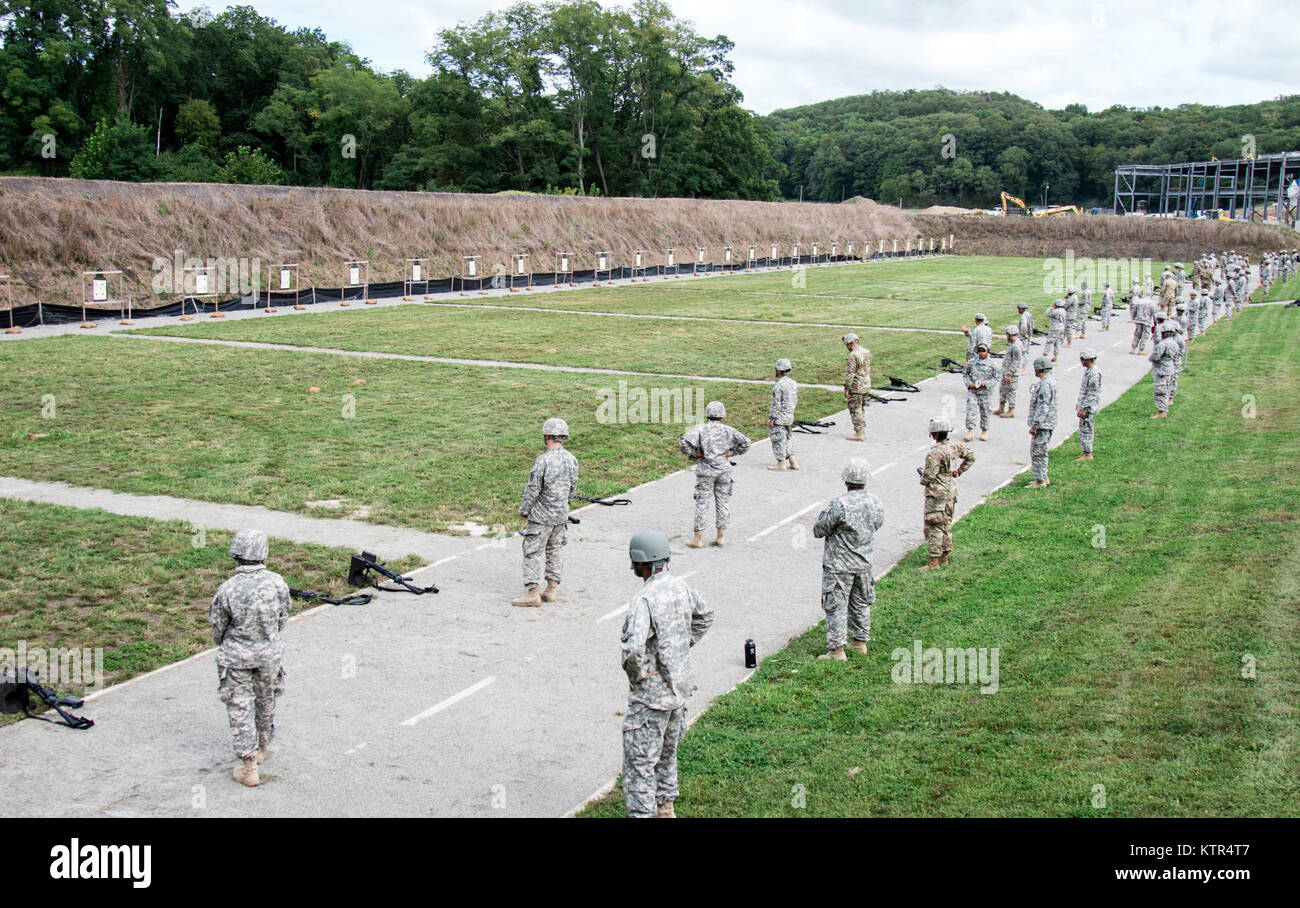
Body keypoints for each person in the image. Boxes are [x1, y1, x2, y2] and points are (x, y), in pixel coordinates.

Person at [620, 530, 713, 819]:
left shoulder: (644, 599)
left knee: (640, 764)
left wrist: (638, 676)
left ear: (640, 564)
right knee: (667, 754)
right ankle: (666, 807)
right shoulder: (682, 588)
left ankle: (644, 813)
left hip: (650, 699)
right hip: (678, 691)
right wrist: (683, 646)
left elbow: (634, 650)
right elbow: (705, 616)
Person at [210, 529, 290, 788]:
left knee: (240, 706)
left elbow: (217, 629)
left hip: (237, 657)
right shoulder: (277, 583)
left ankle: (248, 767)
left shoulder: (228, 589)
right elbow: (283, 619)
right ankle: (262, 749)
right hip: (268, 654)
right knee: (266, 700)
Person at [812, 459, 885, 661]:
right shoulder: (875, 502)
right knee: (860, 602)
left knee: (836, 605)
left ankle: (837, 650)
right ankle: (860, 642)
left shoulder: (839, 504)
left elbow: (820, 529)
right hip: (863, 562)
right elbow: (877, 523)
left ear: (846, 480)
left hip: (839, 564)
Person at [513, 417, 579, 607]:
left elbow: (533, 489)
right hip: (560, 515)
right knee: (554, 550)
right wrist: (565, 504)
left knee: (532, 552)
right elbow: (573, 487)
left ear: (547, 436)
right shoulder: (571, 460)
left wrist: (524, 510)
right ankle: (551, 589)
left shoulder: (543, 461)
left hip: (541, 516)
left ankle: (533, 592)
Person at [679, 401, 751, 548]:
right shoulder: (729, 430)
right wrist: (732, 453)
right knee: (723, 502)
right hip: (724, 470)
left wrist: (696, 453)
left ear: (707, 414)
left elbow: (684, 442)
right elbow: (746, 443)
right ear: (722, 415)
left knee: (702, 503)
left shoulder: (700, 430)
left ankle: (698, 539)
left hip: (706, 470)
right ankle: (721, 537)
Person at [918, 417, 975, 569]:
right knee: (946, 523)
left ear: (933, 434)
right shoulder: (955, 447)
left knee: (933, 526)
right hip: (951, 491)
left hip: (937, 495)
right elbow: (971, 457)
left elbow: (929, 476)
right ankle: (945, 556)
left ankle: (933, 560)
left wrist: (922, 477)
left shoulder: (934, 454)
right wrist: (958, 471)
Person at [1027, 356, 1058, 488]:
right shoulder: (1050, 381)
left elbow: (1042, 406)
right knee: (1041, 450)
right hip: (1047, 423)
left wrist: (1035, 425)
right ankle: (1043, 476)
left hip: (1042, 424)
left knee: (1038, 452)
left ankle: (1039, 480)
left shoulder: (1045, 384)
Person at [962, 342, 999, 441]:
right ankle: (970, 430)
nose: (981, 353)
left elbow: (997, 378)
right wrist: (969, 384)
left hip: (985, 392)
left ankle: (984, 430)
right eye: (980, 351)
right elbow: (965, 374)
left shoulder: (993, 365)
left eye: (984, 351)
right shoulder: (971, 362)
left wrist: (986, 383)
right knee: (970, 410)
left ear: (987, 352)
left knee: (985, 412)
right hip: (973, 391)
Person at [768, 358, 798, 471]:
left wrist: (772, 418)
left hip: (779, 417)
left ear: (779, 370)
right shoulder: (793, 383)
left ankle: (781, 463)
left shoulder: (778, 386)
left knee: (778, 438)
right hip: (789, 415)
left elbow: (776, 404)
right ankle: (793, 461)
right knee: (788, 438)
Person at [841, 333, 871, 442]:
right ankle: (861, 430)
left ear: (850, 343)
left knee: (855, 409)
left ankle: (859, 433)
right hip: (866, 384)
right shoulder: (866, 352)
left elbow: (850, 374)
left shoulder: (853, 356)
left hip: (856, 386)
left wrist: (847, 388)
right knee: (861, 408)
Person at [1149, 322, 1179, 419]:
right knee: (1166, 389)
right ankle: (1162, 410)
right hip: (1169, 368)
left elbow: (1156, 356)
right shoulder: (1174, 343)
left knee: (1160, 390)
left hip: (1162, 369)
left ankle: (1162, 411)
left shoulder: (1162, 344)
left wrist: (1151, 358)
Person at [1075, 349, 1101, 461]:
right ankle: (1085, 450)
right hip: (1085, 405)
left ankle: (1088, 453)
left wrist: (1085, 408)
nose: (1081, 361)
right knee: (1083, 428)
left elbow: (1092, 393)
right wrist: (1079, 404)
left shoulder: (1094, 373)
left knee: (1087, 429)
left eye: (1083, 359)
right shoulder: (1089, 371)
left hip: (1089, 407)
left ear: (1089, 360)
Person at [995, 325, 1023, 418]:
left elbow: (1016, 361)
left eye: (1007, 334)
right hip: (1006, 371)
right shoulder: (1012, 343)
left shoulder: (1016, 346)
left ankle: (1011, 410)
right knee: (1002, 389)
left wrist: (1010, 373)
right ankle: (1001, 408)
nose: (1006, 336)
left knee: (1010, 391)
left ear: (1010, 334)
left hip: (1012, 373)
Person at [1016, 302, 1034, 370]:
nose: (1018, 310)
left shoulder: (1024, 316)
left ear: (1022, 309)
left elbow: (1023, 327)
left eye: (1019, 309)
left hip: (1023, 337)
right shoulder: (1029, 314)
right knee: (1025, 352)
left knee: (1023, 352)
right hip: (1028, 336)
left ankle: (1023, 367)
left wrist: (1022, 334)